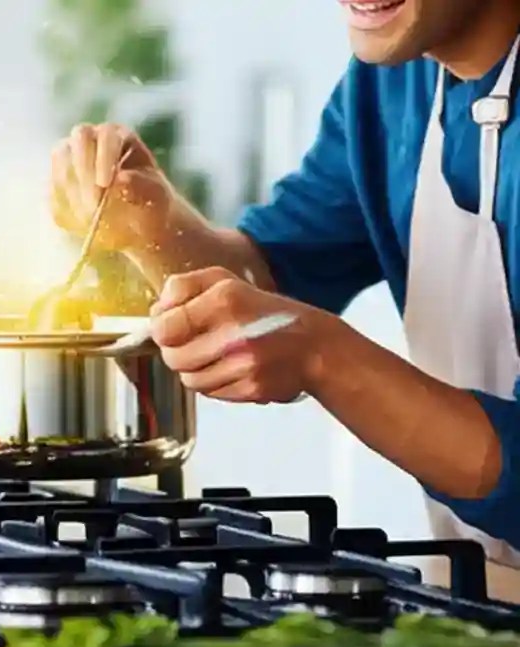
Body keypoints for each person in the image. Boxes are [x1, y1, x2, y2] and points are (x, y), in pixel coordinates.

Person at [49, 0, 520, 601]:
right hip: (481, 588)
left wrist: (323, 357)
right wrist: (153, 226)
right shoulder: (390, 86)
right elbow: (271, 278)